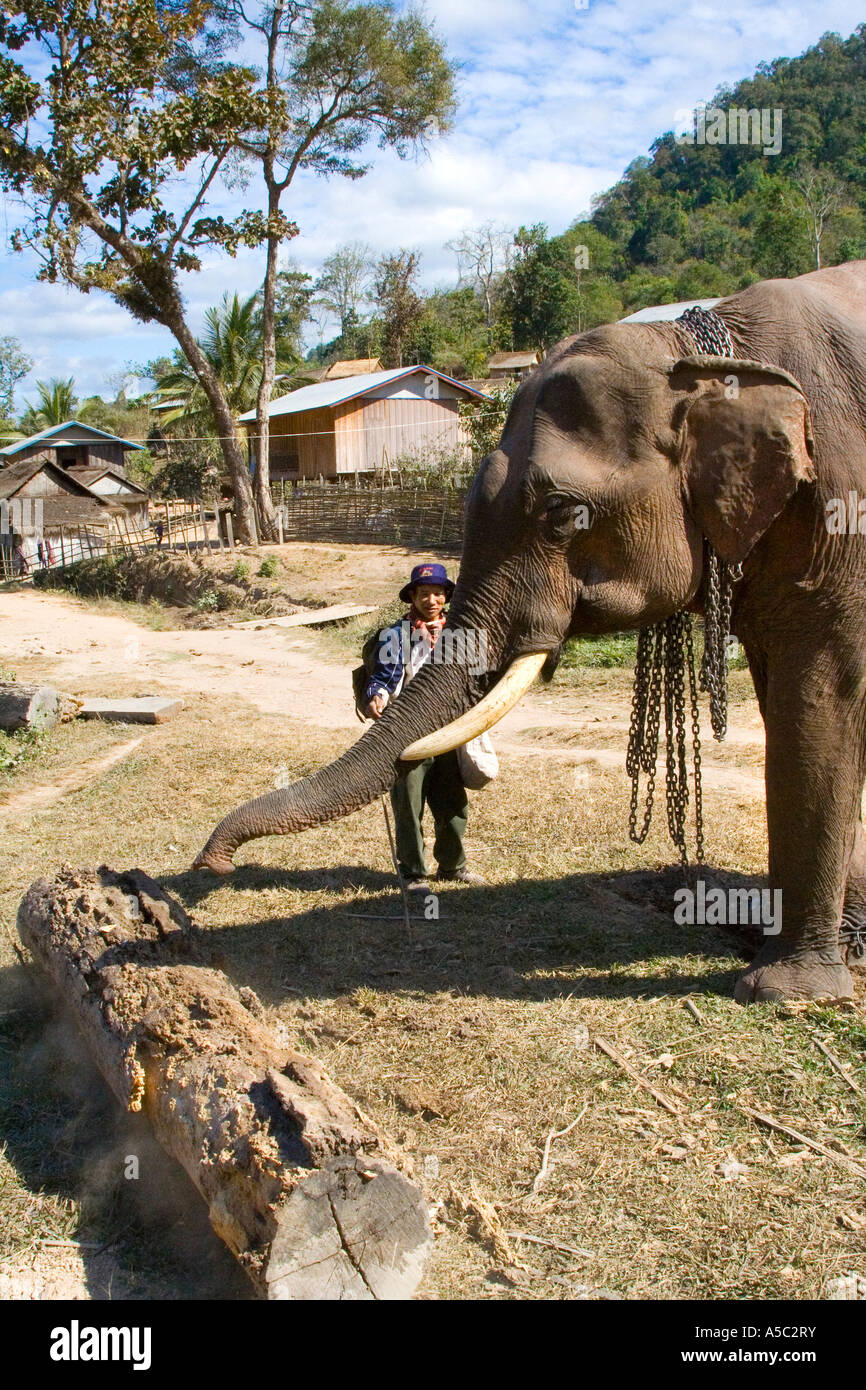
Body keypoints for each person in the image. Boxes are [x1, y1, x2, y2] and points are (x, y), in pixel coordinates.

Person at [363, 562, 486, 892]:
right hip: (408, 734)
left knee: (453, 804)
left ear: (446, 596)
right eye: (424, 594)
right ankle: (414, 873)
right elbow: (383, 676)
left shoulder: (462, 634)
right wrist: (376, 695)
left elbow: (478, 680)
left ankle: (452, 866)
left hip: (449, 732)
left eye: (437, 593)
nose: (431, 600)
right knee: (408, 805)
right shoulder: (395, 635)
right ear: (412, 597)